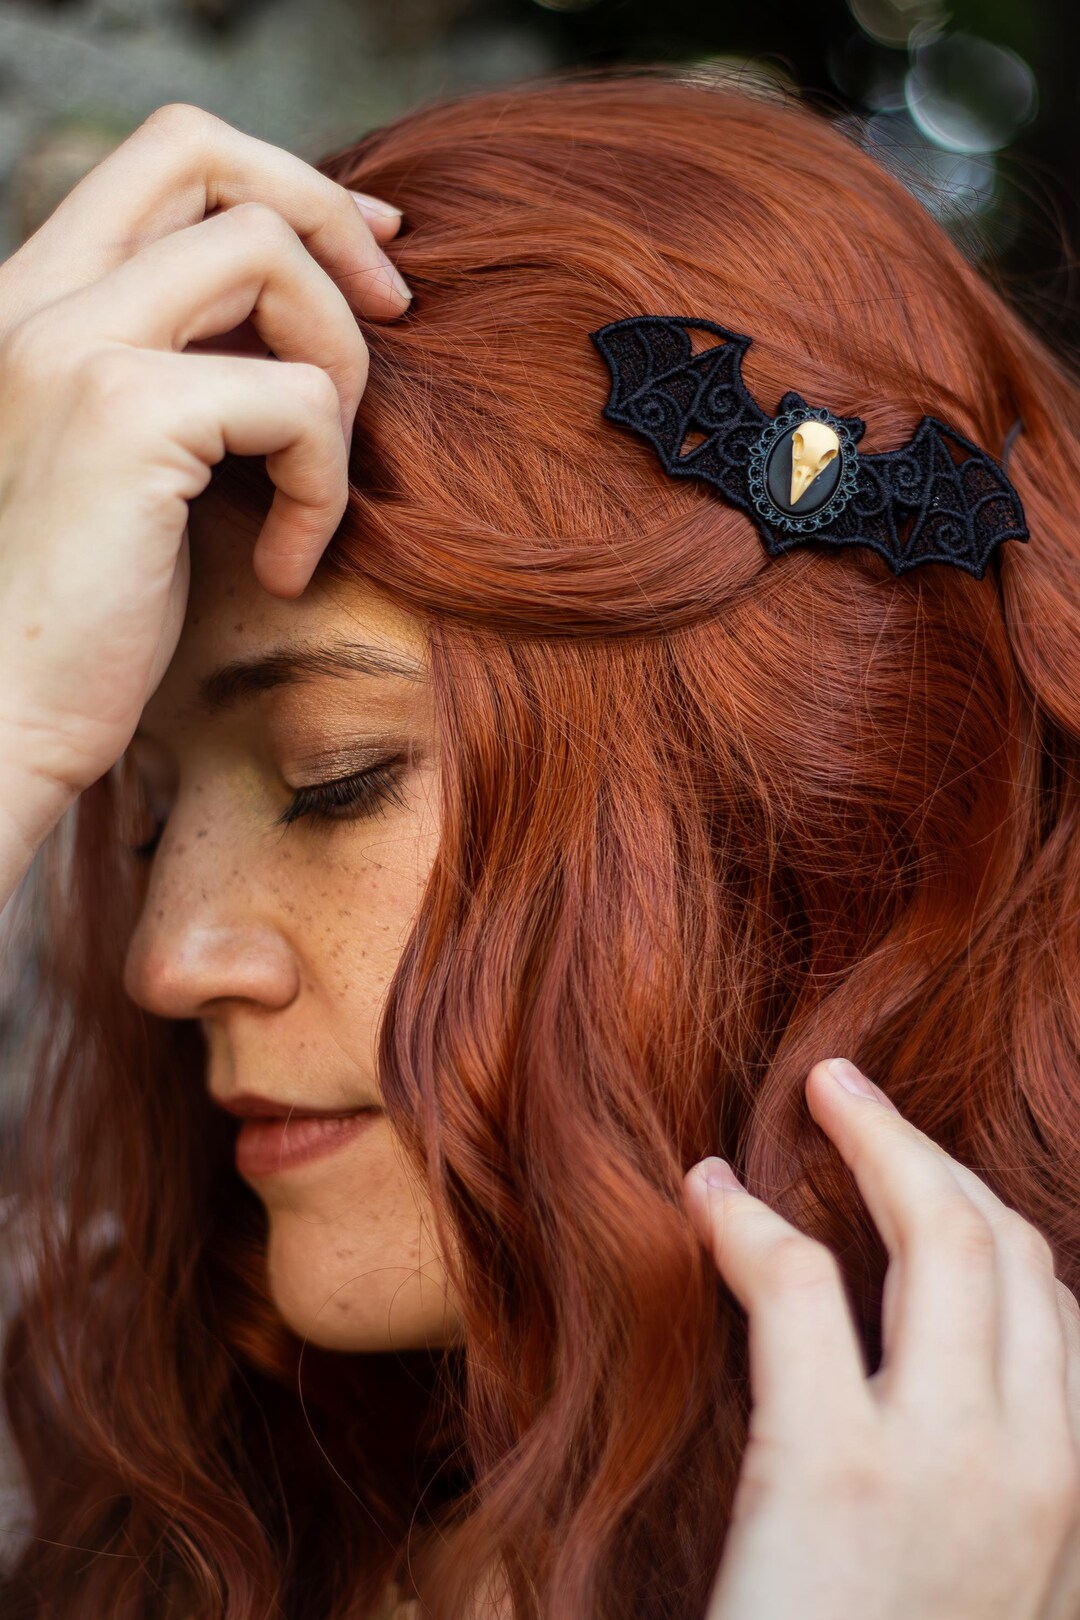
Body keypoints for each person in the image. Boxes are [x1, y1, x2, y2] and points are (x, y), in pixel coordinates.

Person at [0, 68, 1077, 1620]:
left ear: (800, 820)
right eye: (145, 806)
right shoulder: (172, 1518)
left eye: (332, 779)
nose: (172, 960)